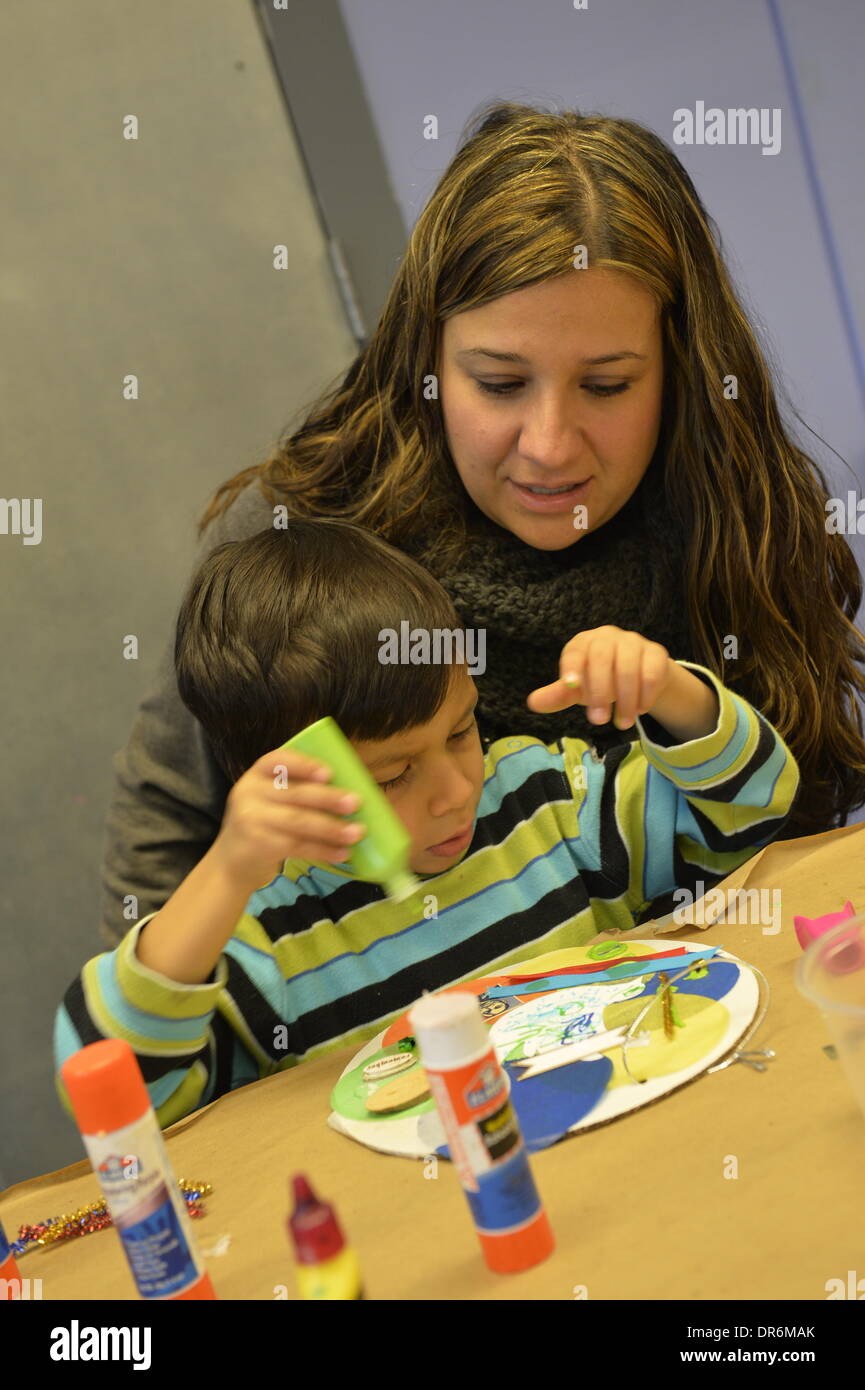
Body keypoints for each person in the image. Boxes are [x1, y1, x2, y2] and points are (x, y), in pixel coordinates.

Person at [99, 101, 865, 949]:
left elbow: (792, 824)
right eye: (499, 383)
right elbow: (168, 827)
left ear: (681, 370)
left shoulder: (740, 512)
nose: (548, 446)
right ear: (424, 357)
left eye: (606, 386)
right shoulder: (298, 531)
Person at [56, 521, 800, 1128]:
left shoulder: (546, 804)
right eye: (390, 776)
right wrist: (225, 874)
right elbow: (117, 1092)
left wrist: (668, 690)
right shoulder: (270, 943)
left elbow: (748, 809)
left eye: (460, 729)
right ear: (286, 781)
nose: (453, 793)